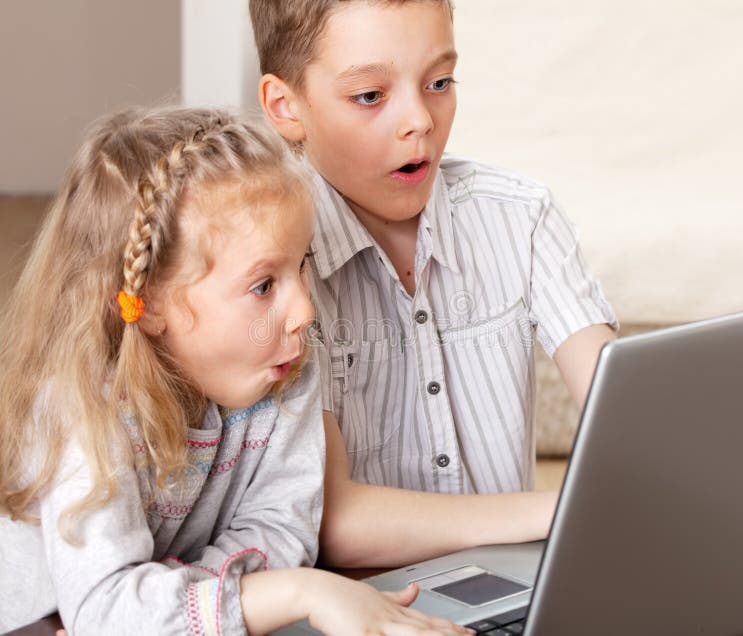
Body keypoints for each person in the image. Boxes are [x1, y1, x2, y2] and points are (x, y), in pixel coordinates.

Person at [0, 106, 473, 636]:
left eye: (301, 264)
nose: (305, 311)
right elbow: (105, 614)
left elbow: (283, 532)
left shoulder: (281, 365)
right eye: (263, 285)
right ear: (149, 304)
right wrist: (301, 592)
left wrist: (163, 606)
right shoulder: (80, 410)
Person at [250, 0, 618, 551]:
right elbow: (332, 519)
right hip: (366, 594)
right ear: (285, 106)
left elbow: (622, 413)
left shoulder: (521, 218)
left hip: (513, 580)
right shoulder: (271, 272)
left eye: (439, 82)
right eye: (370, 96)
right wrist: (560, 510)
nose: (420, 119)